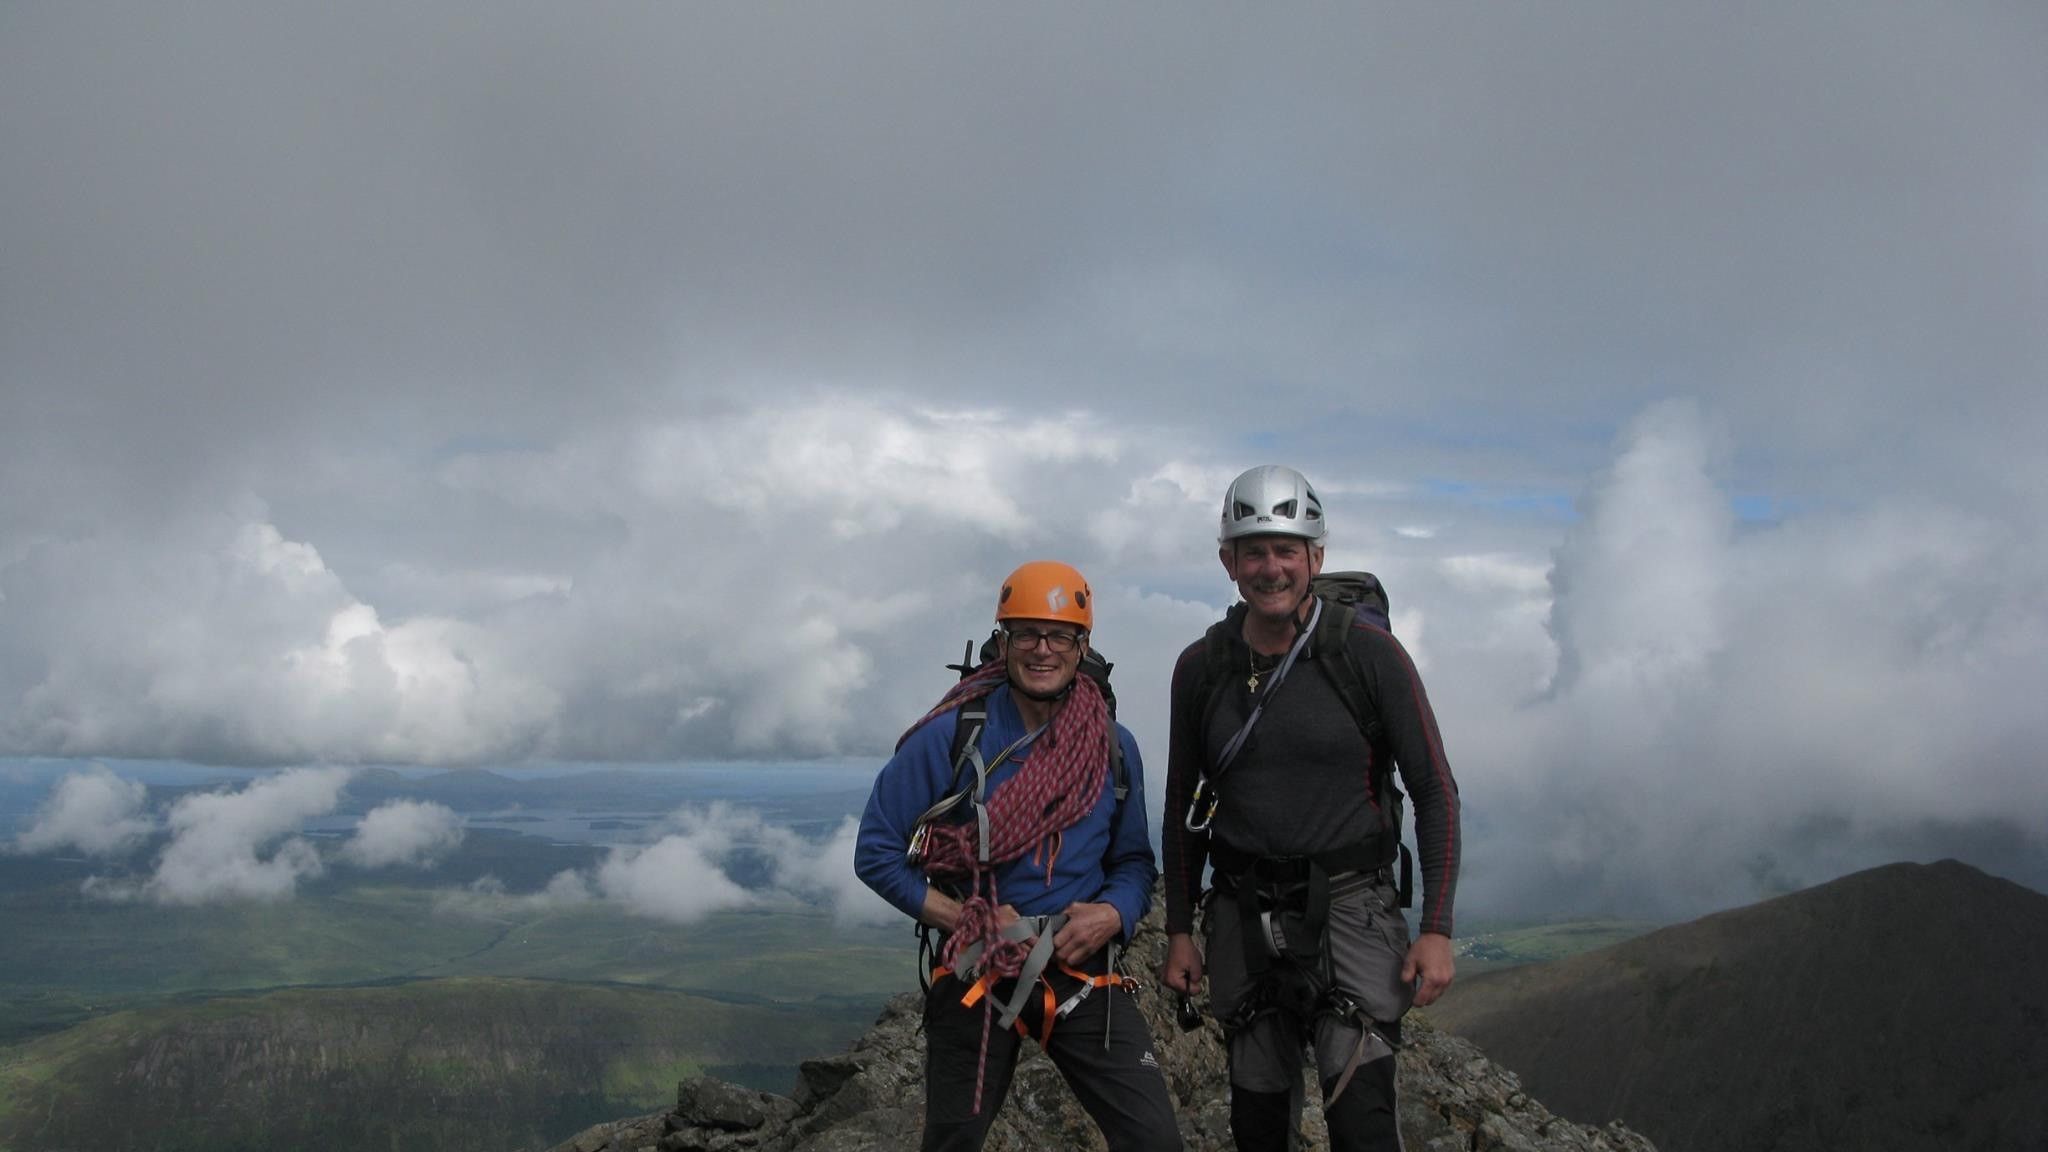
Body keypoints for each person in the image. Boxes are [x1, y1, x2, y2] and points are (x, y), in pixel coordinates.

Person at [1159, 465, 1462, 1152]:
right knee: (1258, 1128)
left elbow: (1434, 788)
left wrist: (1437, 928)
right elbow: (1183, 805)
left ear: (1315, 559)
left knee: (1362, 1128)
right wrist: (1179, 929)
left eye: (1285, 550)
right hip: (1243, 911)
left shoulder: (1370, 656)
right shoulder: (1201, 668)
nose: (1271, 568)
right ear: (1228, 562)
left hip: (1352, 909)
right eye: (1253, 551)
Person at [856, 560, 1183, 1152]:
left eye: (1059, 636)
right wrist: (967, 918)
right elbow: (877, 854)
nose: (1042, 649)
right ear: (1002, 643)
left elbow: (1134, 863)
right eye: (1026, 633)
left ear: (1082, 647)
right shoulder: (951, 737)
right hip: (977, 965)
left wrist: (1113, 913)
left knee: (1154, 1140)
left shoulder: (1113, 745)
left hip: (1079, 965)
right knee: (953, 1142)